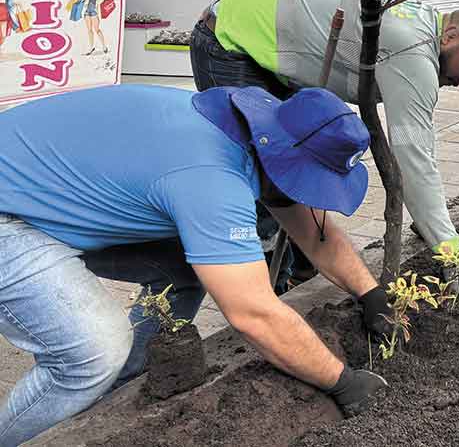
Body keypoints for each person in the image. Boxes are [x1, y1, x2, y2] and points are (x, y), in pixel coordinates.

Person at [0, 84, 397, 444]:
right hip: (9, 213)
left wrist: (371, 293)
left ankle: (114, 391)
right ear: (285, 161)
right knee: (93, 354)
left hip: (48, 188)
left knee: (187, 271)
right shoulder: (212, 180)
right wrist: (343, 383)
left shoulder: (257, 132)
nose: (311, 197)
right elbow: (254, 313)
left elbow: (314, 233)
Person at [189, 0, 459, 288]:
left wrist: (428, 223)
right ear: (450, 36)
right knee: (265, 171)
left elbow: (419, 154)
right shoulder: (414, 53)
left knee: (297, 161)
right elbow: (414, 161)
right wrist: (451, 254)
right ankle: (269, 290)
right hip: (229, 42)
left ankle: (304, 270)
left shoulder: (422, 23)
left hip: (268, 49)